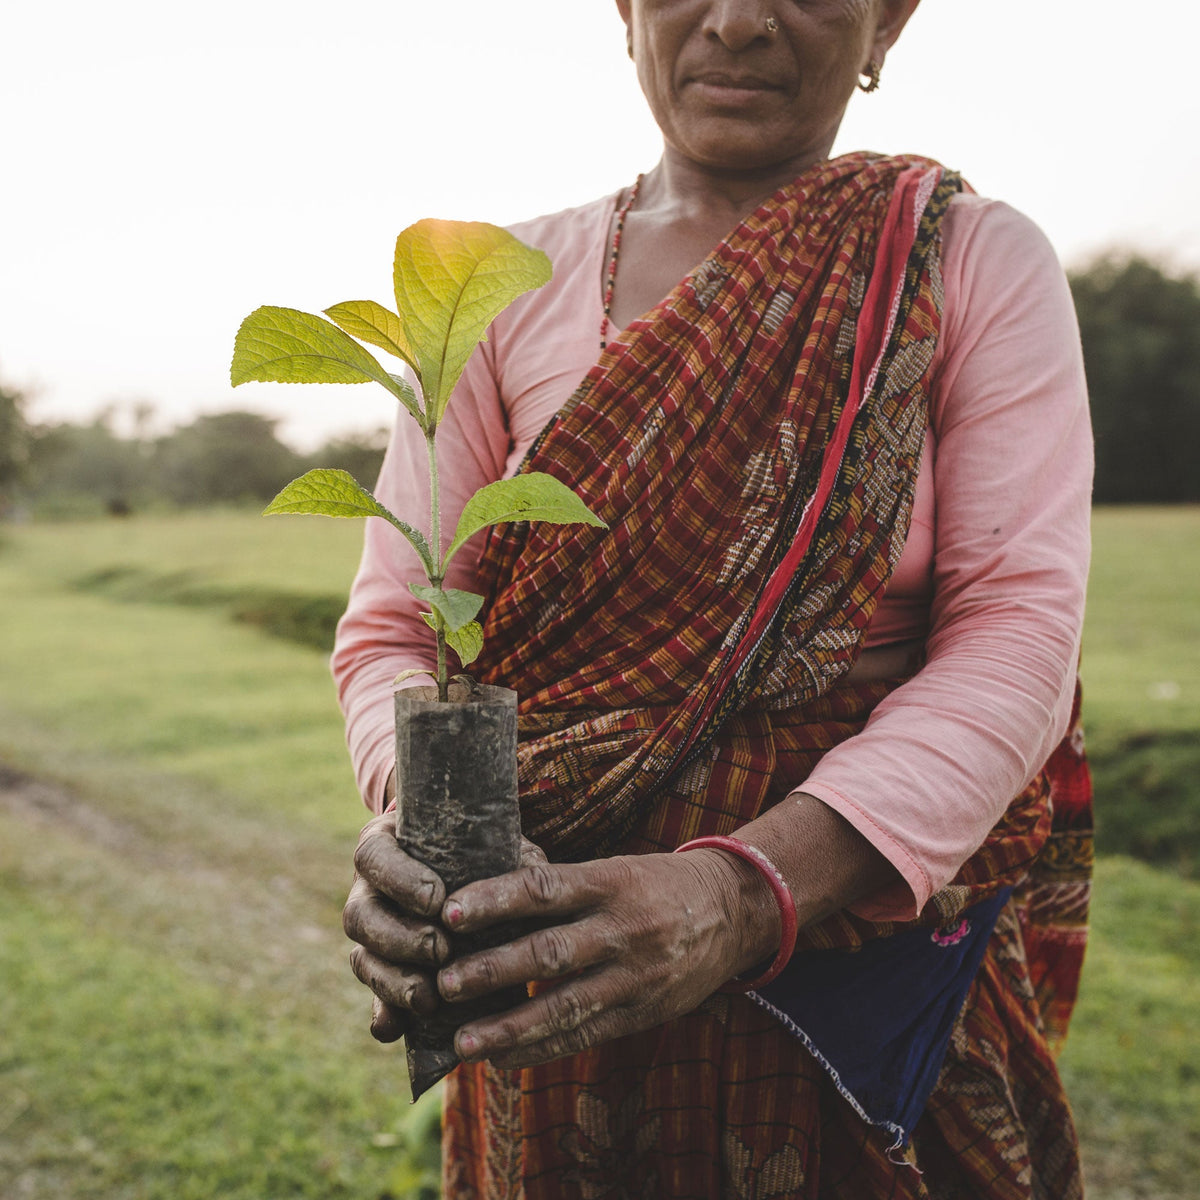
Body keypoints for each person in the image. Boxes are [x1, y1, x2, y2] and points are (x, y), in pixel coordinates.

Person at [333, 0, 1094, 1195]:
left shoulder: (965, 259)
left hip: (859, 950)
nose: (738, 23)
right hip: (544, 936)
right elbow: (398, 630)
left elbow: (1018, 635)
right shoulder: (489, 286)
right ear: (625, 9)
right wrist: (413, 820)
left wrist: (743, 893)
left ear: (887, 18)